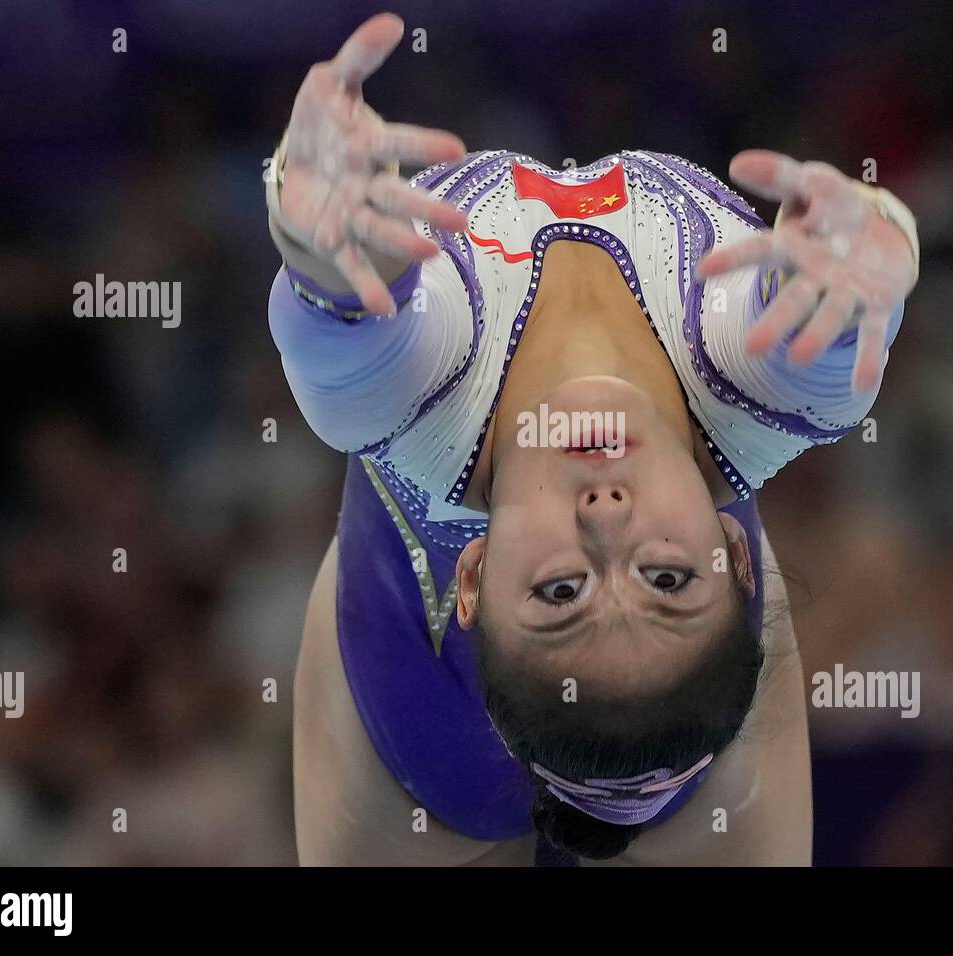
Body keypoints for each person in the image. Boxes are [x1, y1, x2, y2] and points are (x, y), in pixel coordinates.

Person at [270, 13, 919, 864]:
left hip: (420, 734)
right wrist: (879, 238)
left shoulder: (410, 397)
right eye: (667, 577)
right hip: (705, 749)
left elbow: (339, 318)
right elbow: (845, 318)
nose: (606, 518)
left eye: (559, 591)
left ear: (473, 576)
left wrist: (313, 235)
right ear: (734, 552)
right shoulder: (769, 379)